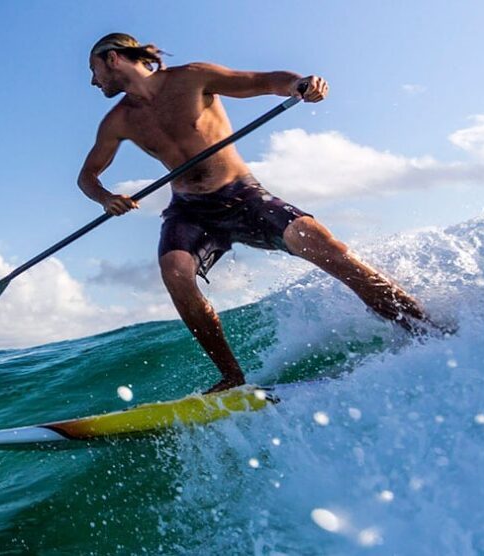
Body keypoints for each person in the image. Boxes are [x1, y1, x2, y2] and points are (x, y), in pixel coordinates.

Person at [78, 33, 445, 393]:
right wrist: (105, 198)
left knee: (324, 247)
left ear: (113, 58)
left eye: (94, 70)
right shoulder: (118, 121)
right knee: (175, 273)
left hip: (243, 196)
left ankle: (424, 328)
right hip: (190, 211)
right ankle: (231, 378)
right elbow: (87, 176)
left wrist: (298, 84)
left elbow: (263, 81)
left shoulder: (192, 78)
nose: (94, 81)